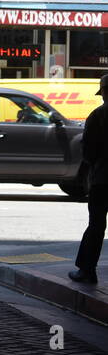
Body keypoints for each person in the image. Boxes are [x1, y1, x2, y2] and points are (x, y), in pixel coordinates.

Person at [71, 74, 108, 284]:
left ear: (104, 91)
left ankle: (87, 270)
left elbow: (88, 153)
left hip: (102, 180)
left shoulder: (98, 115)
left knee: (96, 225)